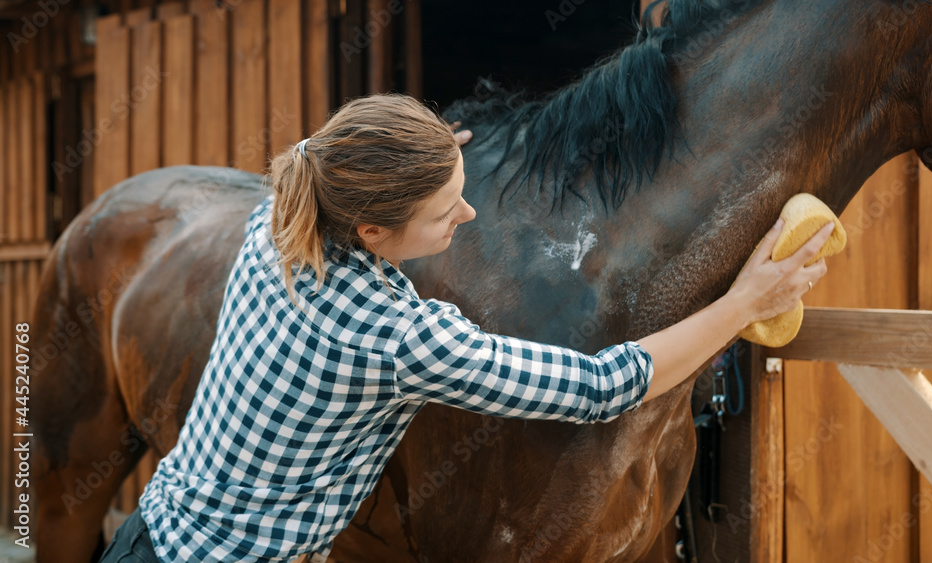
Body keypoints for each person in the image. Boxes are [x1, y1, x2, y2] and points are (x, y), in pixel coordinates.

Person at [100, 93, 832, 562]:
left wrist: (418, 158)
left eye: (461, 189)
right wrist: (745, 302)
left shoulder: (279, 220)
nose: (469, 213)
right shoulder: (395, 336)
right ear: (372, 227)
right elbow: (604, 384)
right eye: (445, 209)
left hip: (151, 533)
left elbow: (333, 159)